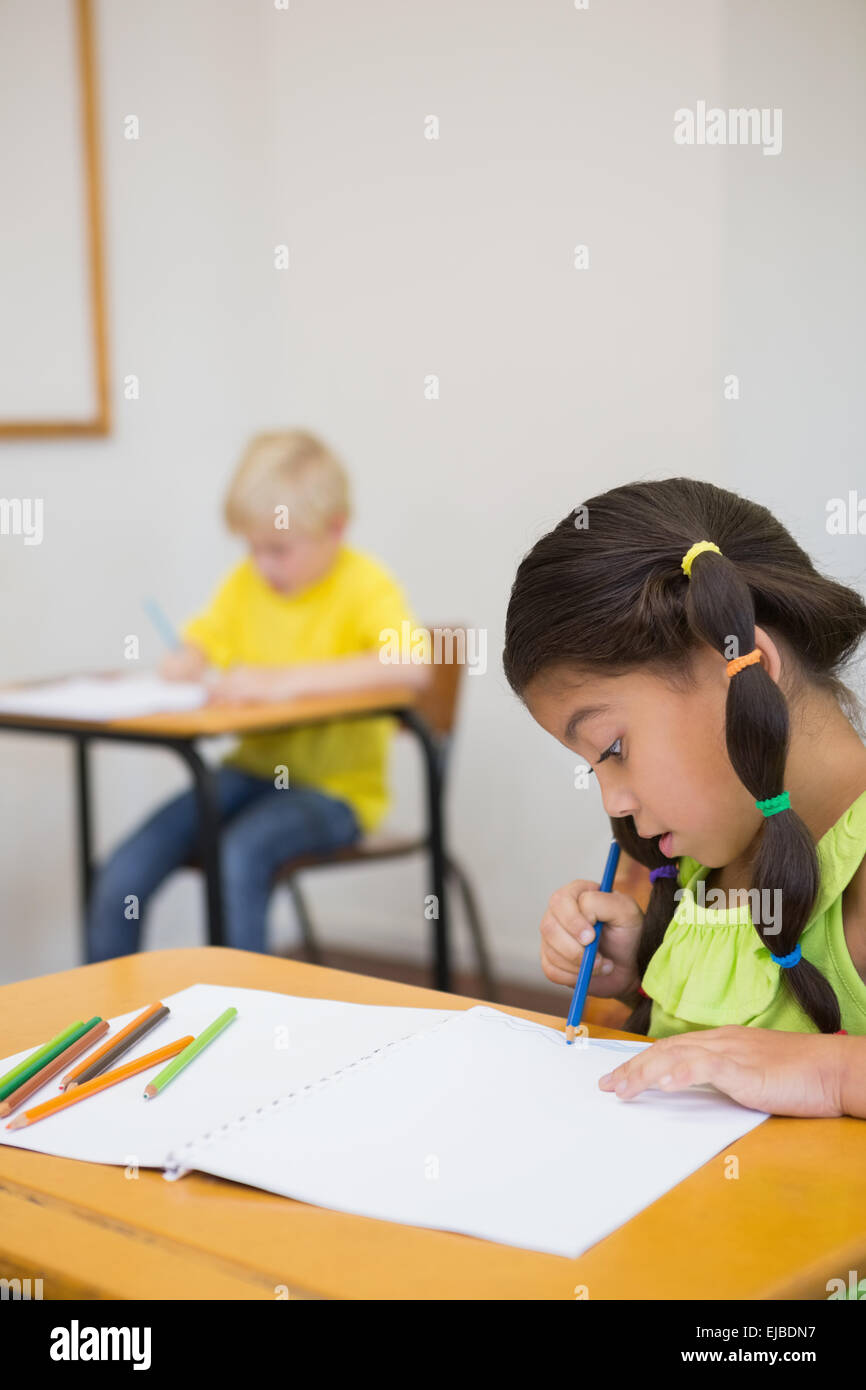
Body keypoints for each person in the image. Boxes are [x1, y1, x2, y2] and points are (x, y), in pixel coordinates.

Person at [502, 477, 866, 1118]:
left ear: (747, 668)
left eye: (612, 748)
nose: (613, 804)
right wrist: (637, 971)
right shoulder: (701, 856)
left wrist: (834, 1073)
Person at [86, 429, 427, 960]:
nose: (263, 566)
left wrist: (283, 680)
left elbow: (413, 664)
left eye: (279, 550)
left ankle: (239, 1002)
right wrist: (188, 659)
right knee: (126, 866)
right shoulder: (244, 586)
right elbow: (205, 639)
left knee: (239, 853)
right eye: (253, 548)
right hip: (248, 775)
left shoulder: (364, 584)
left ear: (335, 528)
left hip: (337, 794)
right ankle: (103, 1005)